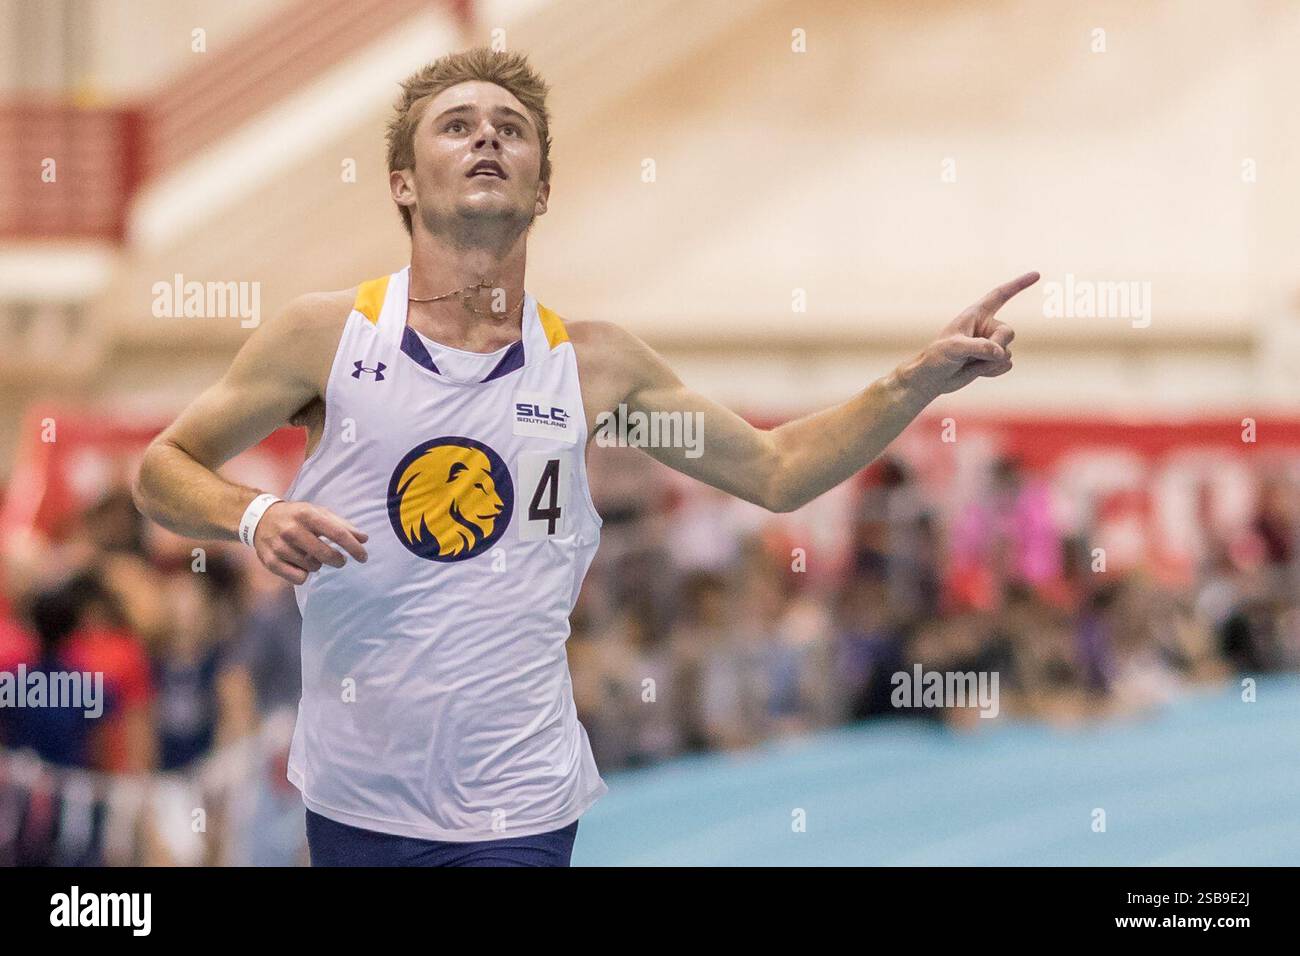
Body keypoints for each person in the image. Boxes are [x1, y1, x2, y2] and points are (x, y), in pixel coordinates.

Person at [131, 47, 1035, 866]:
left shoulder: (593, 367)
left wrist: (913, 383)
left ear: (542, 190)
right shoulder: (323, 338)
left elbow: (775, 469)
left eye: (511, 130)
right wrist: (251, 515)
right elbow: (163, 468)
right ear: (403, 183)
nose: (487, 137)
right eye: (458, 125)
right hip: (354, 800)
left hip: (520, 805)